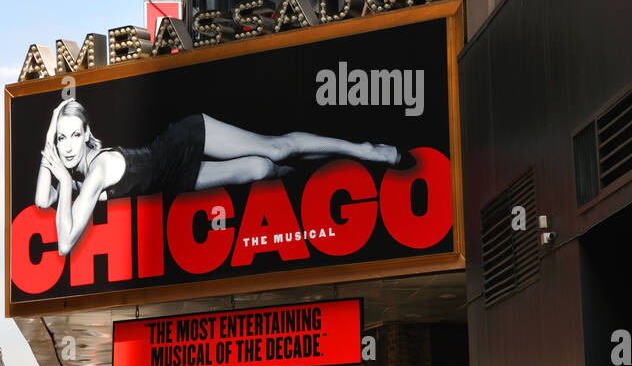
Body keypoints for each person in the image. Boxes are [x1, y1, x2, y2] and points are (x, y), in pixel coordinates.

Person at [35, 99, 402, 256]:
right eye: (60, 138)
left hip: (183, 141)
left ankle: (366, 150)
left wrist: (65, 183)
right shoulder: (75, 169)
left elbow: (65, 244)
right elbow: (41, 201)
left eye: (72, 135)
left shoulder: (95, 170)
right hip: (174, 177)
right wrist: (49, 131)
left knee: (276, 149)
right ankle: (317, 168)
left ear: (86, 135)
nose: (66, 146)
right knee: (262, 170)